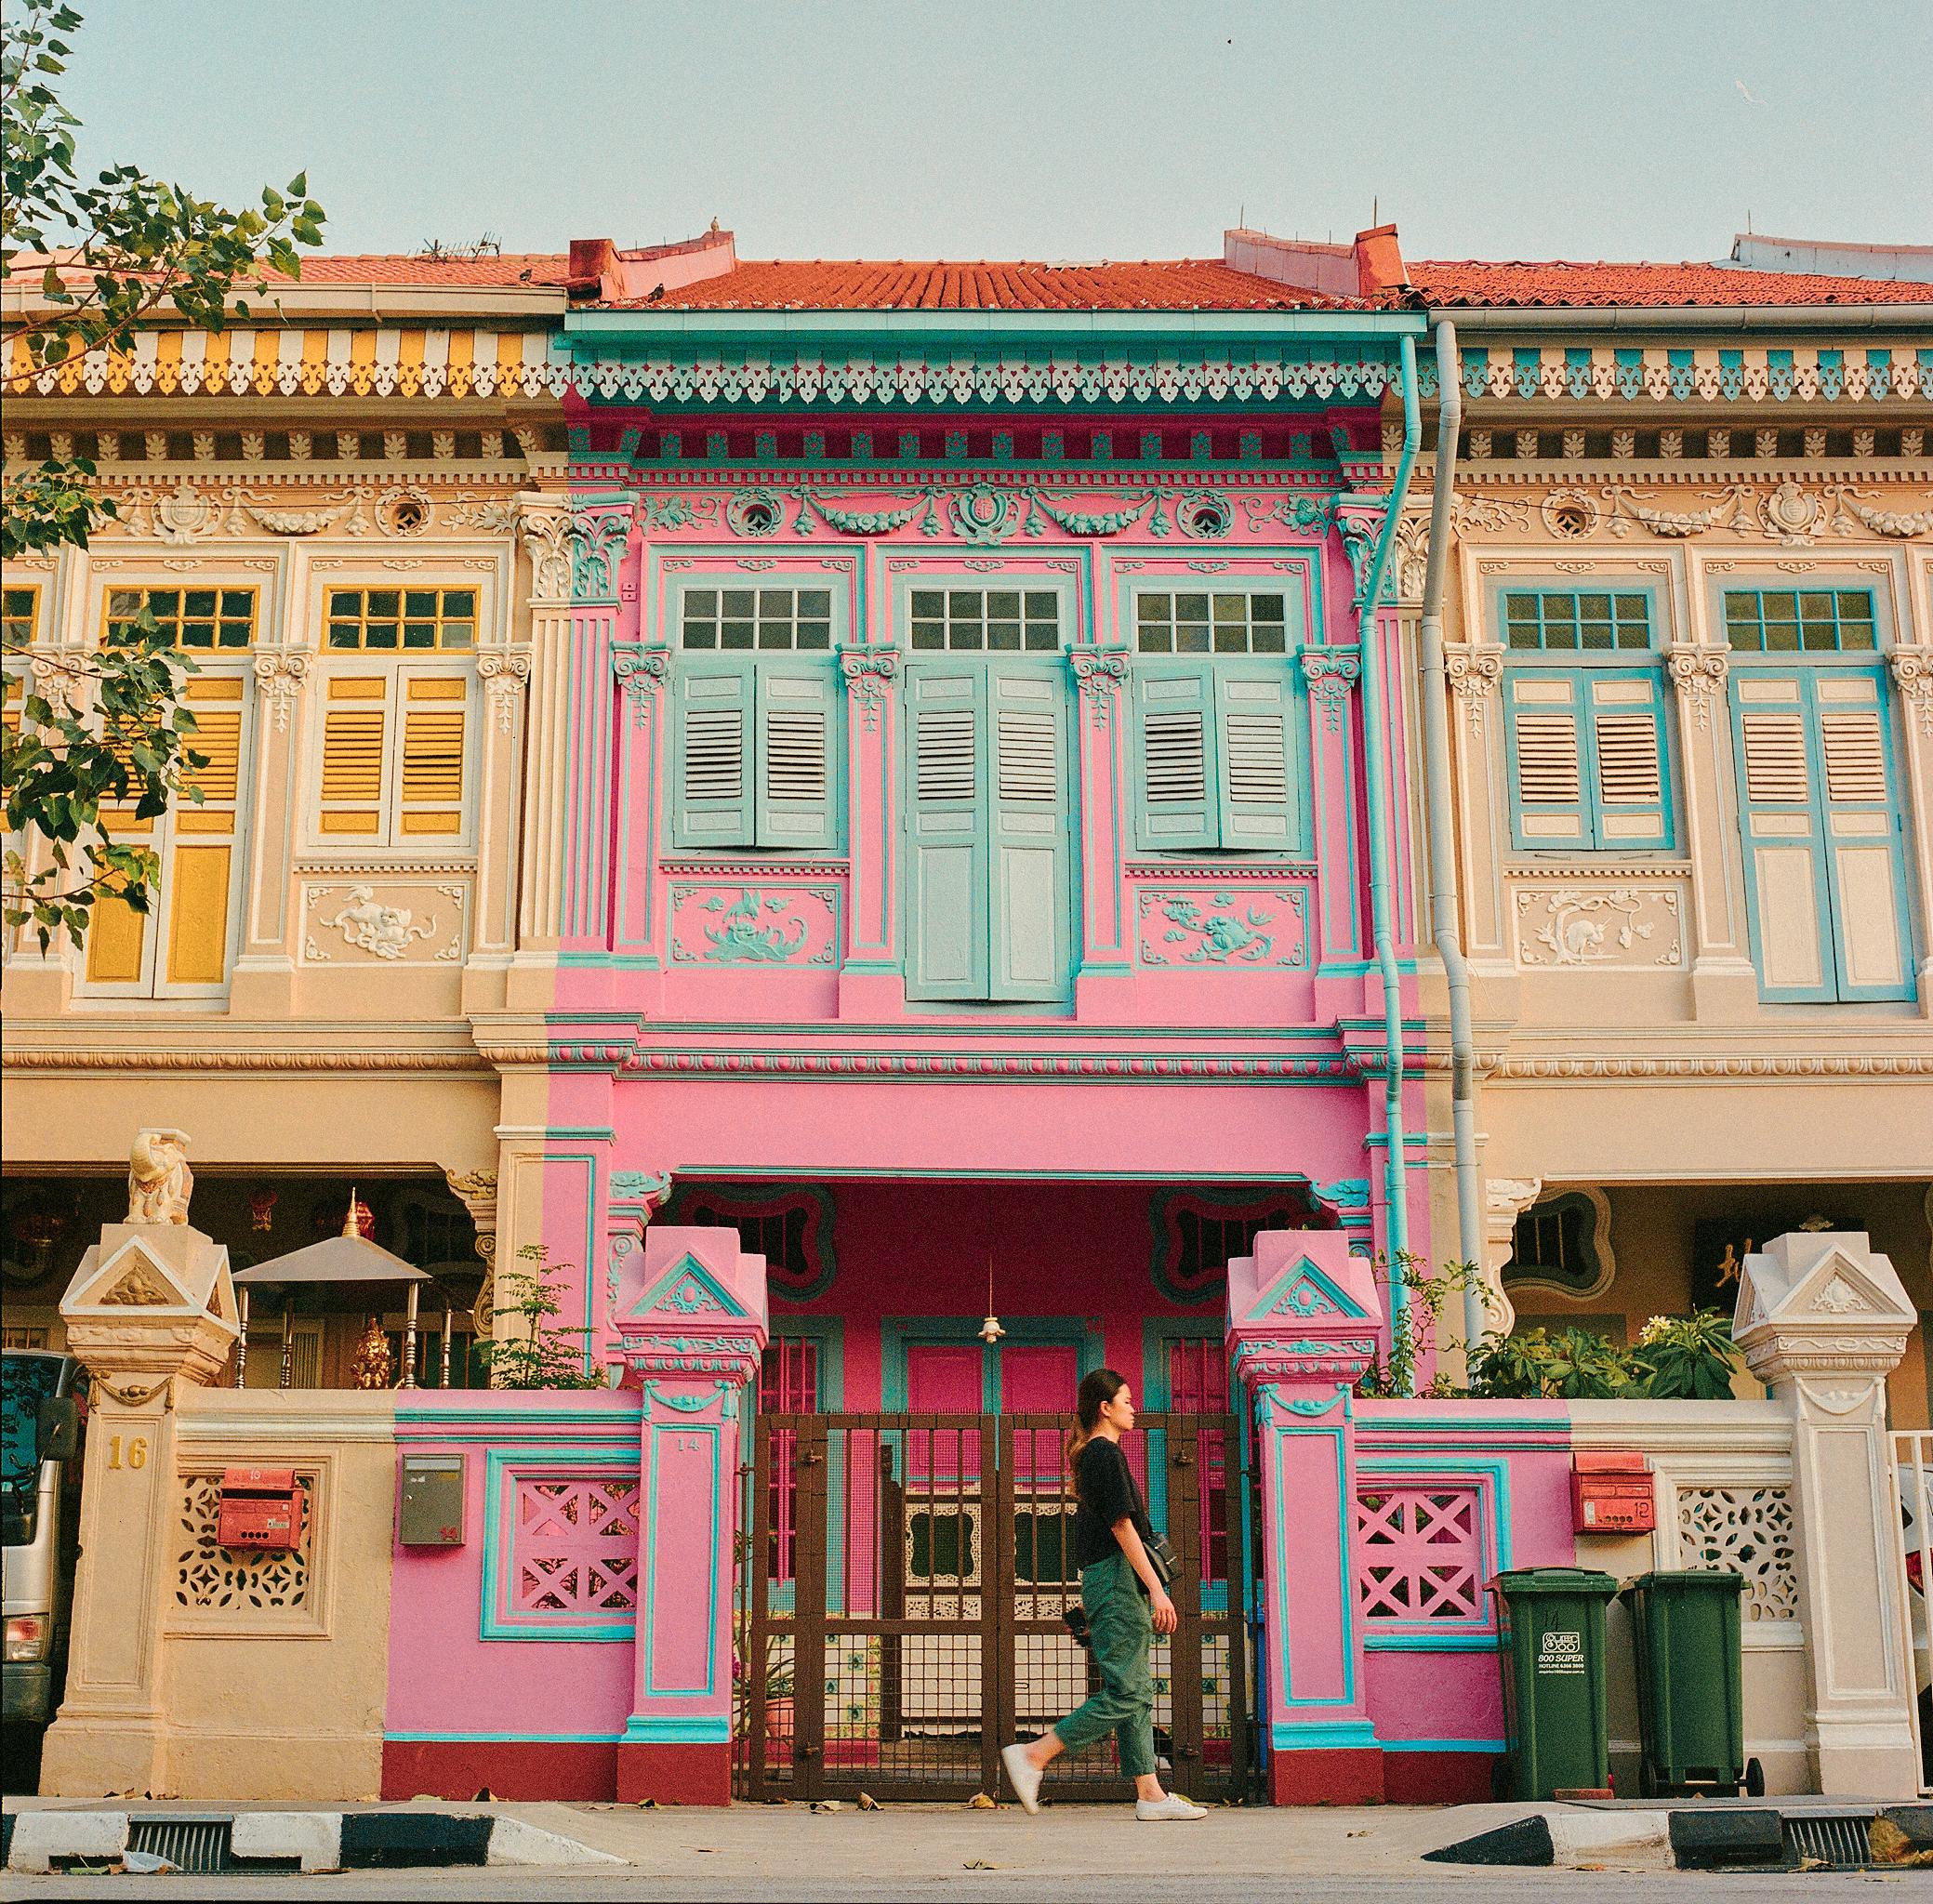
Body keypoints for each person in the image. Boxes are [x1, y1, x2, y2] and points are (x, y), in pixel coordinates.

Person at [1000, 1368, 1207, 1820]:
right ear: (1105, 1407)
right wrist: (1156, 1589)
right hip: (1117, 1578)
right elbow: (1121, 1525)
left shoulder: (1099, 1455)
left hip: (1111, 1579)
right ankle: (1035, 1753)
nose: (1134, 1408)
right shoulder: (1103, 1454)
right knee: (1130, 1690)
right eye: (1127, 1400)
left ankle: (1150, 1794)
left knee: (1132, 1687)